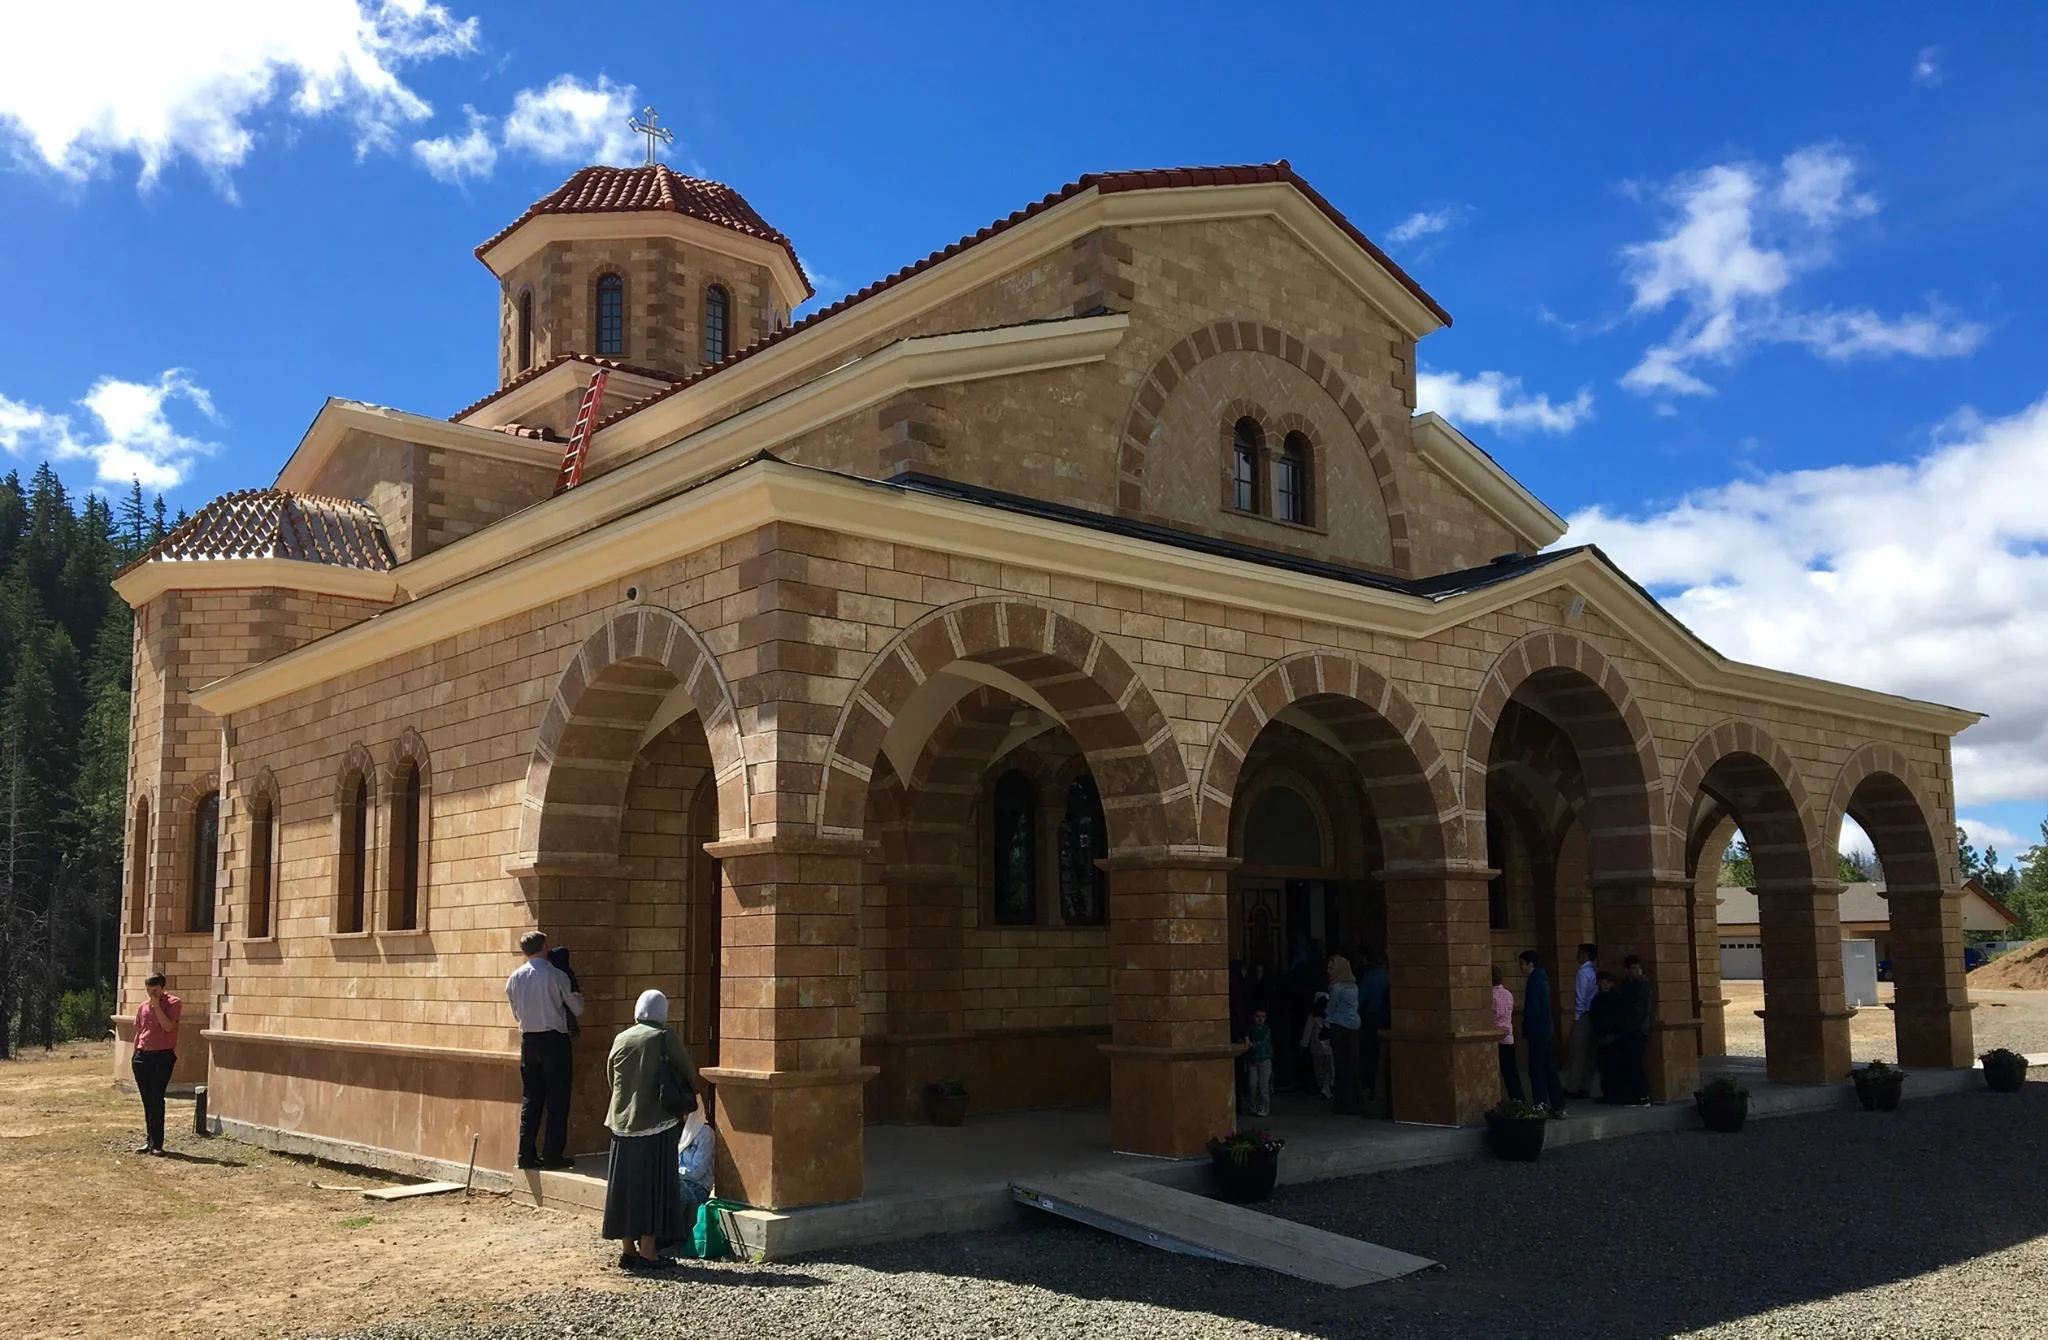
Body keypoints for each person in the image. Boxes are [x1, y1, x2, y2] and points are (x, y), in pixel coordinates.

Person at [604, 989, 698, 1270]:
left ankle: (627, 1250)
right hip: (656, 1124)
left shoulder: (622, 1037)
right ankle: (648, 1251)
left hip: (621, 1126)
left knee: (625, 1188)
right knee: (654, 1187)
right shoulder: (663, 1037)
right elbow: (688, 1072)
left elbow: (611, 1077)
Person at [505, 930, 584, 1170]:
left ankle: (525, 1154)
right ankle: (552, 1154)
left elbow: (516, 1012)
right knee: (557, 1099)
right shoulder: (556, 975)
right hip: (554, 1040)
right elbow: (577, 1009)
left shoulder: (514, 978)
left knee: (531, 1097)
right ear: (544, 947)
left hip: (529, 1041)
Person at [131, 971, 181, 1155]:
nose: (152, 994)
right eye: (149, 990)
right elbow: (139, 1031)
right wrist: (134, 1054)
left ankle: (157, 1144)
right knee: (147, 1100)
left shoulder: (173, 1003)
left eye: (155, 990)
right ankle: (149, 1140)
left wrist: (157, 1007)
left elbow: (168, 1027)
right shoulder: (142, 1007)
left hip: (162, 1056)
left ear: (162, 988)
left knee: (156, 1098)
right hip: (142, 1056)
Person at [1518, 950, 1565, 1118]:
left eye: (1522, 964)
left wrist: (1527, 1028)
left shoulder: (1534, 982)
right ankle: (1558, 1105)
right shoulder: (1542, 980)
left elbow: (1533, 1010)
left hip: (1537, 1031)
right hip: (1547, 1030)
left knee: (1537, 1069)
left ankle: (1540, 1104)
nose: (1521, 967)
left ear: (1530, 964)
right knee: (1550, 1069)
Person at [1325, 954, 1363, 1114]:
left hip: (1339, 1027)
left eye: (1332, 968)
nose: (1329, 971)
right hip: (1354, 1027)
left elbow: (1331, 1008)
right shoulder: (1353, 986)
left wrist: (1327, 1019)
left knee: (1341, 1065)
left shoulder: (1337, 987)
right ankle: (1355, 1101)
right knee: (1353, 1064)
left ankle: (1343, 1103)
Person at [1566, 943, 1601, 1100]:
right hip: (1594, 1014)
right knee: (1590, 1054)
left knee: (1578, 1053)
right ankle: (1585, 1087)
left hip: (1584, 1015)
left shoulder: (1583, 972)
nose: (1577, 956)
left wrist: (1577, 1017)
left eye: (1579, 953)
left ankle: (1573, 1087)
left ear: (1585, 954)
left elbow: (1581, 997)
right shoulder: (1595, 970)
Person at [1619, 954, 1655, 1106]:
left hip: (1638, 1030)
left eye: (1638, 968)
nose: (1636, 971)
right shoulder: (1626, 984)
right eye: (1633, 968)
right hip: (1628, 1029)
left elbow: (1641, 1009)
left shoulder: (1642, 984)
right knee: (1630, 1063)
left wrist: (1632, 1024)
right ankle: (1633, 1095)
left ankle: (1642, 1096)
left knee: (1637, 1063)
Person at [1356, 947, 1390, 1102]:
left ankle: (1368, 1088)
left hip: (1370, 1018)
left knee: (1369, 1054)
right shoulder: (1389, 975)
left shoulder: (1369, 976)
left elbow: (1360, 999)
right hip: (1387, 1019)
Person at [1588, 971, 1625, 1104]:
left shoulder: (1617, 998)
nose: (1604, 985)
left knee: (1613, 1067)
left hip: (1614, 1037)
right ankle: (1607, 1093)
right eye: (1602, 983)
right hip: (1602, 1037)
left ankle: (1615, 1093)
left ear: (1612, 984)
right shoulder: (1597, 998)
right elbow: (1593, 1016)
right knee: (1604, 1068)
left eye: (1606, 983)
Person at [677, 1108, 717, 1214]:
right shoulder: (682, 1133)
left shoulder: (705, 1133)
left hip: (698, 1188)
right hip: (680, 1181)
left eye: (686, 1113)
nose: (683, 1116)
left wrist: (674, 1173)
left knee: (674, 1190)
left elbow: (697, 1172)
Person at [1492, 965, 1522, 1103]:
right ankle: (1518, 1099)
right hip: (1508, 1036)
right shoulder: (1508, 994)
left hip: (1495, 1037)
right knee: (1511, 1071)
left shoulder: (1490, 996)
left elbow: (1494, 1016)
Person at [1300, 991, 1334, 1099]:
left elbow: (1307, 1032)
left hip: (1319, 1048)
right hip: (1326, 1048)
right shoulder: (1330, 1015)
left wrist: (1304, 1044)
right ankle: (1325, 1086)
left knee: (1322, 1069)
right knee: (1327, 1069)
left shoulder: (1314, 1016)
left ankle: (1325, 1086)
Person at [1243, 1008, 1275, 1117]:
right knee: (1252, 1085)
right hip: (1253, 1061)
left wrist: (1250, 1044)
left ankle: (1264, 1106)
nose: (1260, 1019)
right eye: (1258, 1016)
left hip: (1264, 1060)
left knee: (1263, 1086)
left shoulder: (1266, 1029)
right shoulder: (1250, 1029)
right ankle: (1253, 1105)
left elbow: (1262, 1042)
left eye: (1263, 1017)